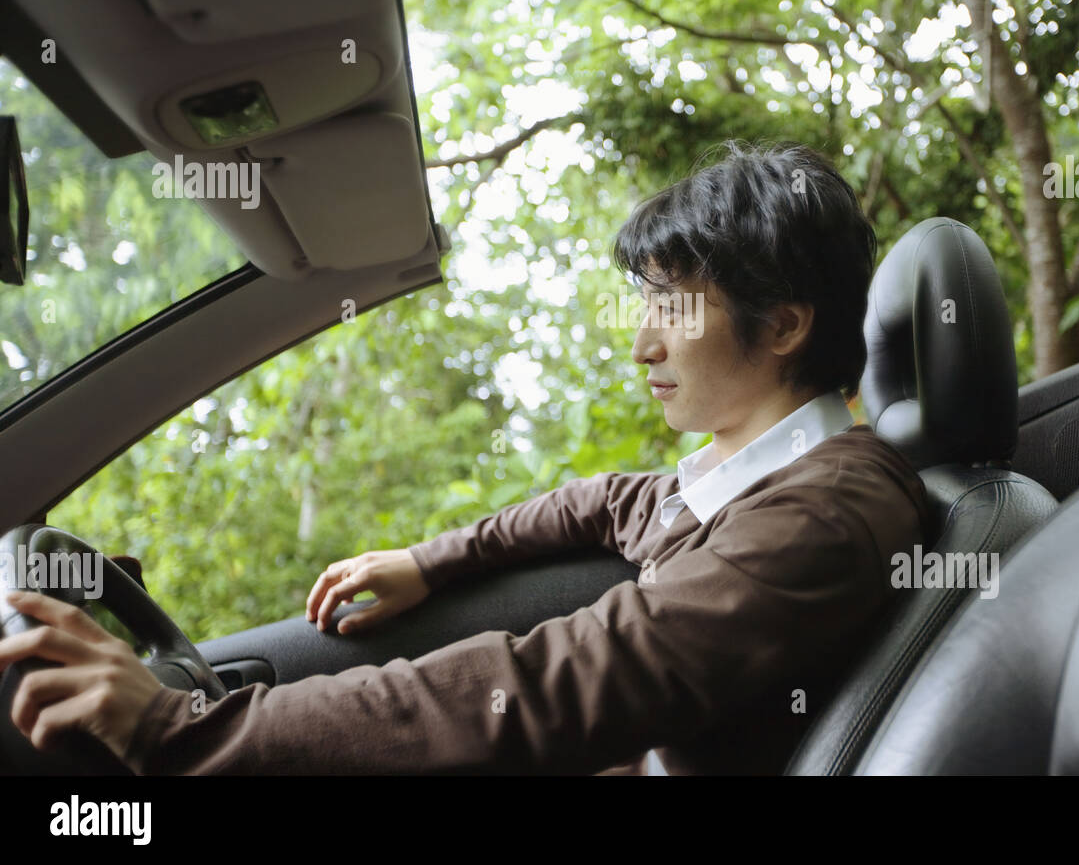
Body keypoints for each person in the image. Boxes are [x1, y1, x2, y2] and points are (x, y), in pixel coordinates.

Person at [0, 140, 930, 775]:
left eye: (674, 308)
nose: (643, 343)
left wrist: (180, 730)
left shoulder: (823, 514)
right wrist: (429, 562)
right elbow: (604, 503)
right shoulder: (757, 475)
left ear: (785, 323)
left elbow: (547, 684)